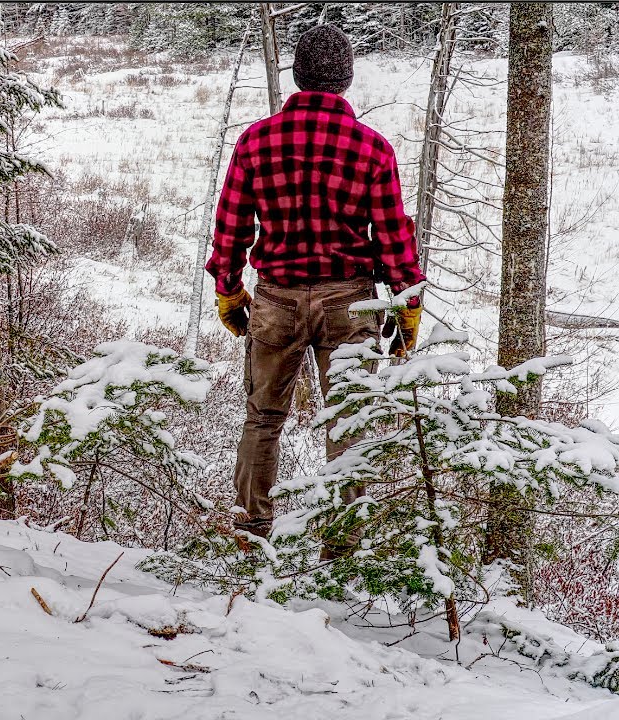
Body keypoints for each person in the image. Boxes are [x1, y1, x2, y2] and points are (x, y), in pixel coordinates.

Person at [204, 24, 426, 549]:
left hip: (276, 297)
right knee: (349, 421)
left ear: (298, 77)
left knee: (262, 417)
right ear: (344, 81)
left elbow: (232, 227)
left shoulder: (255, 141)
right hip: (349, 302)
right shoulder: (372, 148)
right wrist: (407, 304)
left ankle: (250, 533)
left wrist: (230, 290)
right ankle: (343, 549)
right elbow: (394, 236)